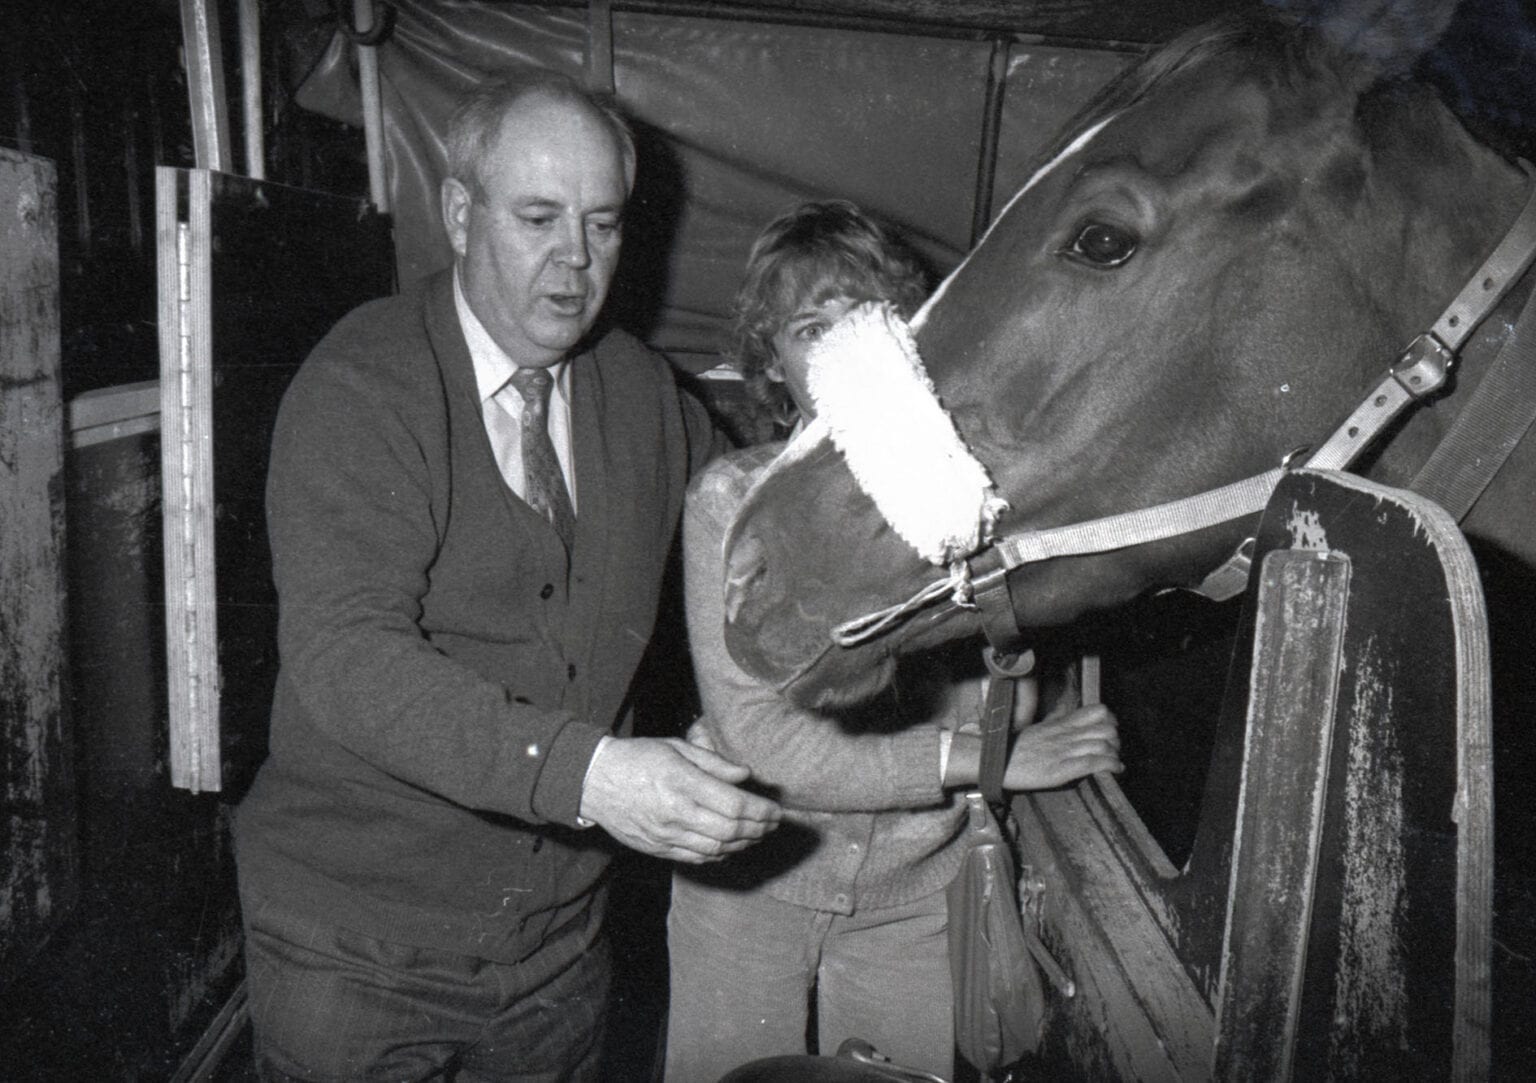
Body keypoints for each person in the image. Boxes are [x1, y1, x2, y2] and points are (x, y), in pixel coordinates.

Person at [232, 69, 782, 1082]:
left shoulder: (645, 399)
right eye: (538, 218)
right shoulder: (364, 386)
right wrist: (598, 775)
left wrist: (733, 711)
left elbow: (753, 554)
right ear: (457, 212)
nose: (575, 261)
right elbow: (346, 657)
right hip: (353, 950)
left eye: (604, 224)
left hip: (556, 958)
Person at [664, 201, 1123, 1081]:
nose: (840, 345)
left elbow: (1007, 694)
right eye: (808, 326)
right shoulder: (733, 501)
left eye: (864, 315)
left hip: (913, 897)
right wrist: (986, 760)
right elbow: (763, 742)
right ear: (771, 362)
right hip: (752, 884)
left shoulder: (972, 495)